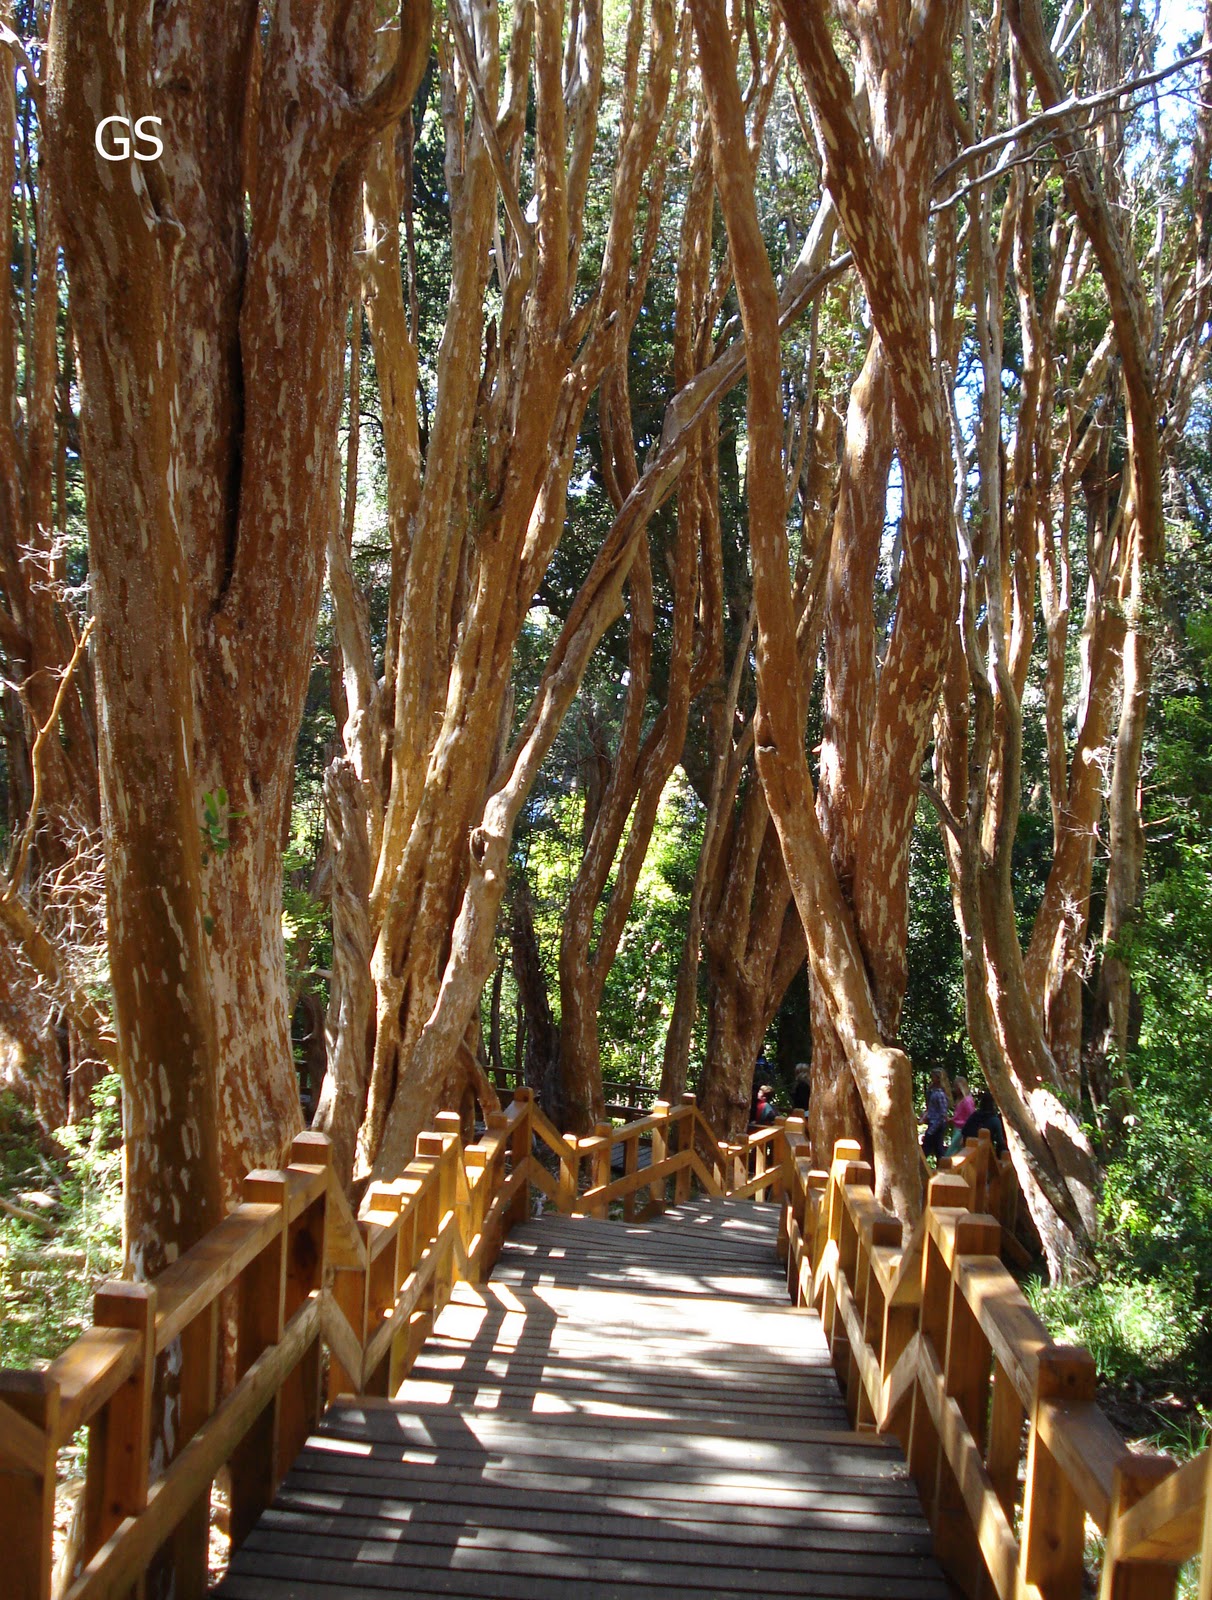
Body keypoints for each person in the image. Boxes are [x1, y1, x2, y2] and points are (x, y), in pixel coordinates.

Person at [958, 1091, 1007, 1155]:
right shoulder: (995, 1120)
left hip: (969, 1152)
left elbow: (963, 1135)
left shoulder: (973, 1116)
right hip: (984, 1153)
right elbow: (1000, 1141)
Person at [921, 1069, 951, 1163]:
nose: (931, 1078)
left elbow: (942, 1114)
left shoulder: (940, 1094)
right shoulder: (932, 1091)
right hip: (933, 1123)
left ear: (938, 1079)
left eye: (933, 1076)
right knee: (934, 1148)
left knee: (935, 1148)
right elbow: (930, 1109)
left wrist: (932, 1129)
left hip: (937, 1125)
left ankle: (942, 1169)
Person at [947, 1077, 975, 1154]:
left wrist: (965, 1134)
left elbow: (971, 1117)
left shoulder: (967, 1100)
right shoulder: (960, 1099)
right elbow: (960, 1116)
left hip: (962, 1130)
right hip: (956, 1129)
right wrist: (952, 1119)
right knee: (955, 1152)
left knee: (951, 1152)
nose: (954, 1089)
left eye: (956, 1086)